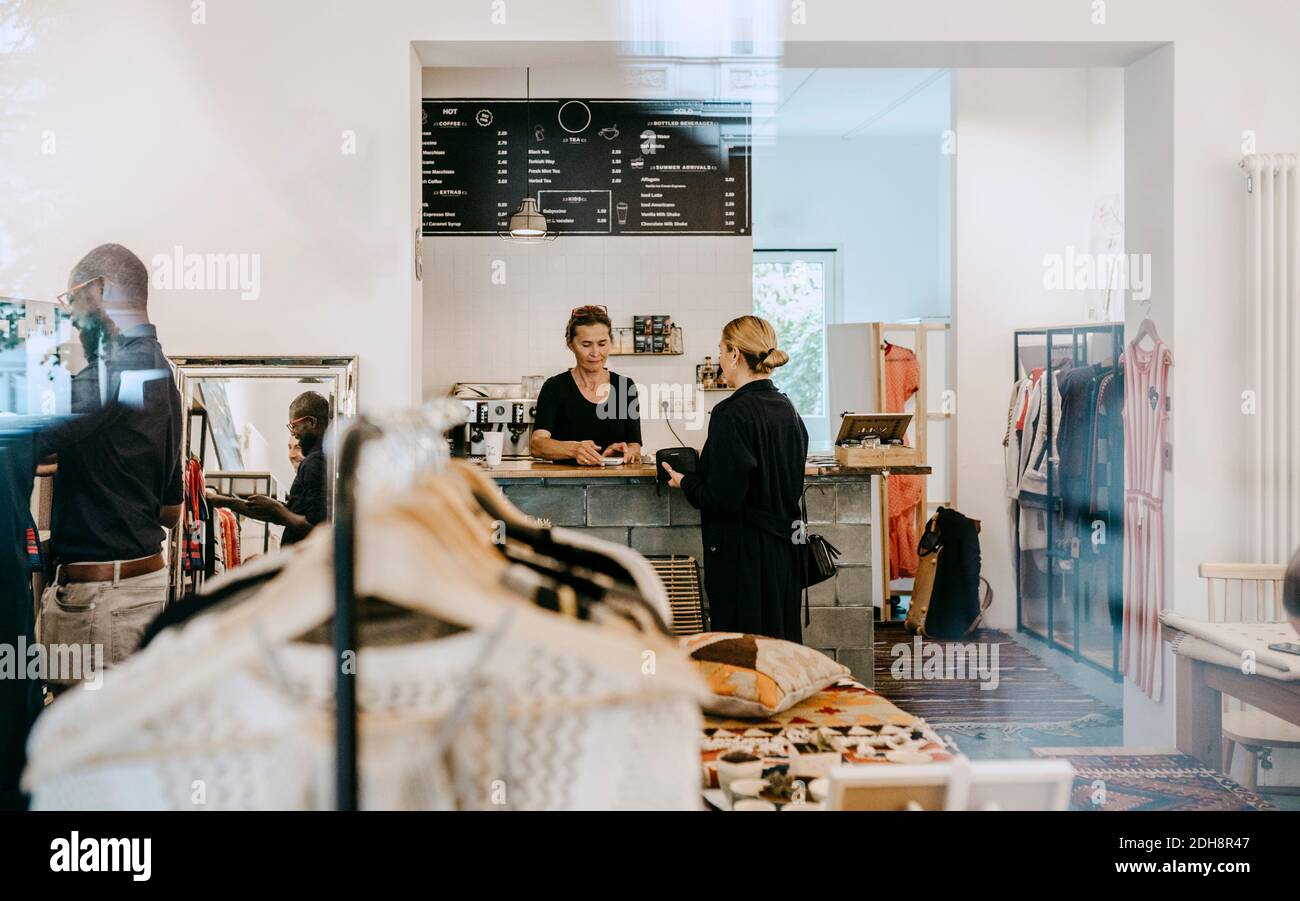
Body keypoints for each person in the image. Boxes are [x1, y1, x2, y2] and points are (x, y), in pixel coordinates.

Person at [36, 243, 183, 691]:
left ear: (100, 289)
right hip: (134, 592)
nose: (72, 317)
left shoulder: (116, 365)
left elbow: (34, 432)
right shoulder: (161, 373)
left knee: (82, 748)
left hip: (102, 603)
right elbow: (170, 511)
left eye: (71, 300)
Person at [661, 316, 808, 641]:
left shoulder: (730, 413)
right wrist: (713, 459)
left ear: (734, 355)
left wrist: (683, 482)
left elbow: (723, 499)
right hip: (785, 556)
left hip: (744, 560)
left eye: (721, 351)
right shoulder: (788, 408)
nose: (721, 362)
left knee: (743, 653)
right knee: (781, 650)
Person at [207, 391, 329, 546]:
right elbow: (290, 515)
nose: (293, 432)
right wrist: (221, 500)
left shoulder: (315, 462)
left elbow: (316, 530)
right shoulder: (321, 459)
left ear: (311, 422)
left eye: (294, 426)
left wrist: (277, 509)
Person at [531, 305, 642, 466]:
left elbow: (635, 445)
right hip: (564, 487)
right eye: (586, 344)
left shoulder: (625, 387)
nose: (595, 353)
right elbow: (537, 444)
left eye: (602, 344)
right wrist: (574, 449)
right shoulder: (554, 387)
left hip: (615, 487)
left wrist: (625, 452)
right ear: (570, 344)